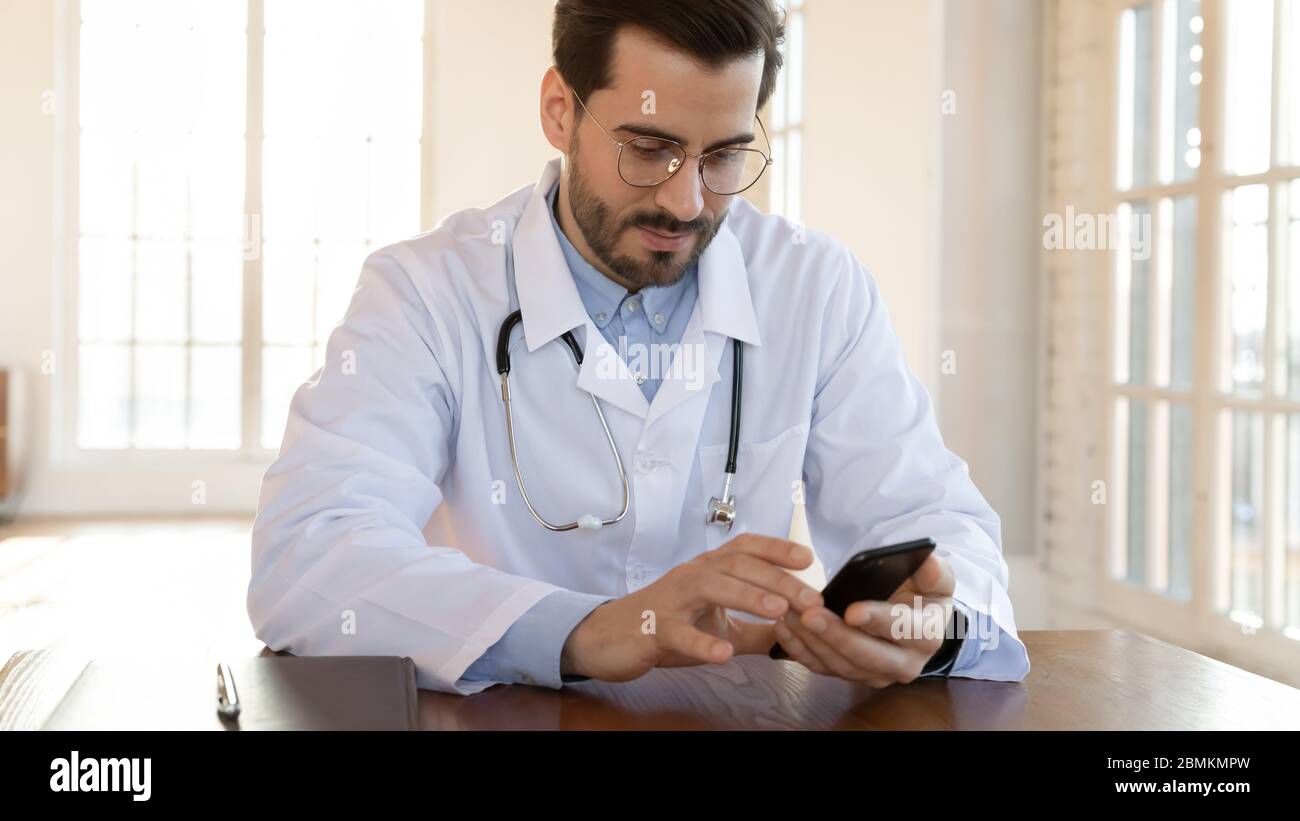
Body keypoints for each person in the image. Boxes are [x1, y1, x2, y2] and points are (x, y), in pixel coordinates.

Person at [248, 0, 1030, 695]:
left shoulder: (816, 286)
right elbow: (310, 558)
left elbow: (937, 522)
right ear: (559, 110)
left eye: (723, 156)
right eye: (648, 149)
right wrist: (589, 629)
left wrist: (932, 628)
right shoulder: (424, 291)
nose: (685, 200)